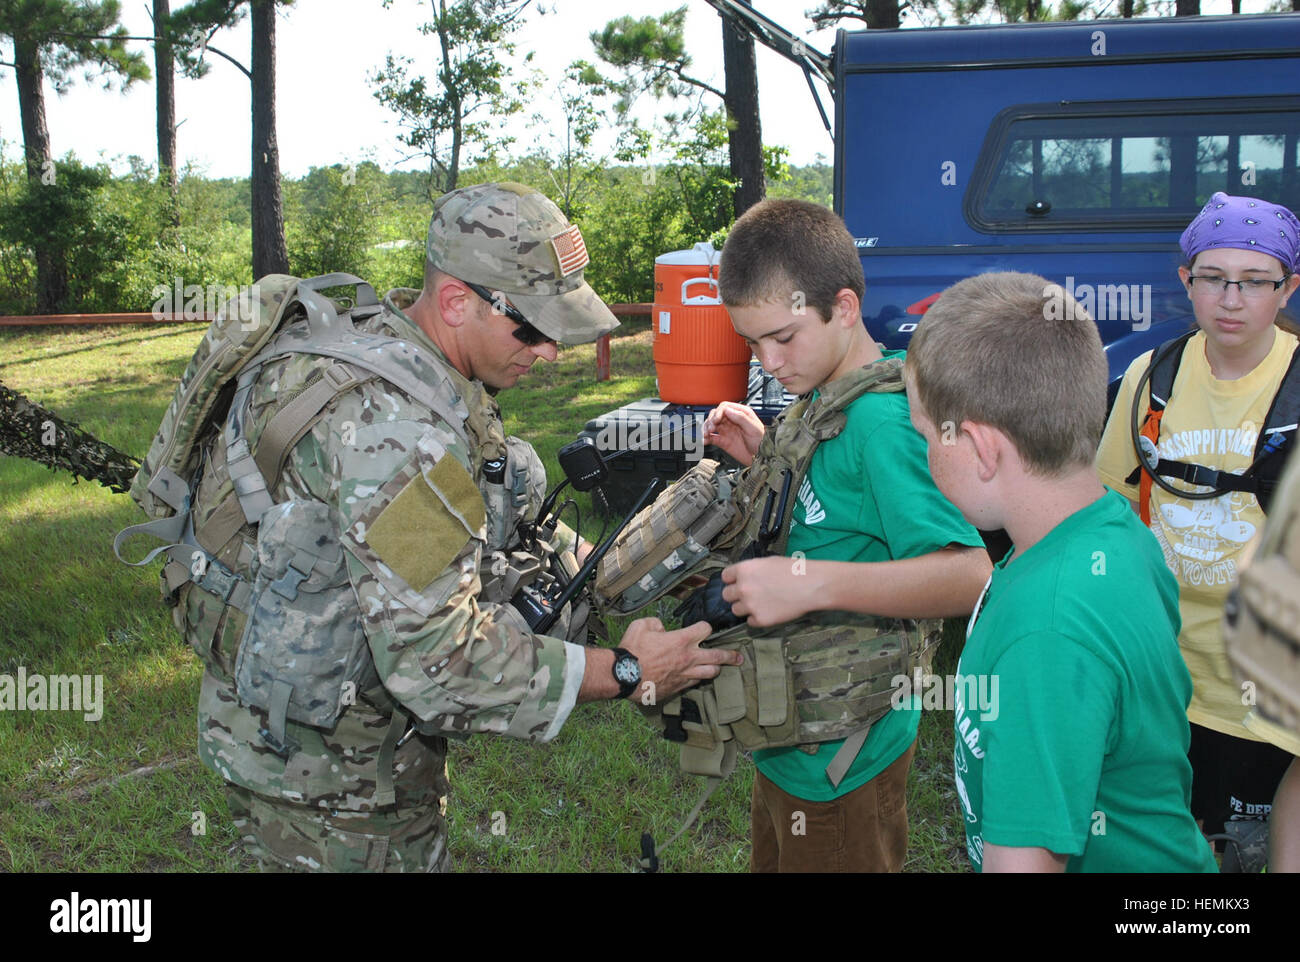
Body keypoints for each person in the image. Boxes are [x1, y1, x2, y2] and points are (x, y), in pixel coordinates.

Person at [189, 182, 740, 872]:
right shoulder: (397, 438)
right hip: (336, 781)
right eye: (532, 329)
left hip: (264, 718)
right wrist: (627, 671)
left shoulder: (368, 340)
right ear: (456, 301)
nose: (549, 353)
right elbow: (438, 662)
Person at [700, 198, 991, 873]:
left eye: (783, 337)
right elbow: (835, 510)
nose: (767, 361)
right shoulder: (821, 398)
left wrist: (804, 585)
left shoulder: (881, 427)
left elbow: (968, 574)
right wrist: (768, 454)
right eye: (752, 344)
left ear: (846, 308)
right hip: (793, 739)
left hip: (846, 756)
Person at [904, 269, 1217, 872]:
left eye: (925, 435)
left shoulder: (1044, 633)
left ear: (980, 447)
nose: (923, 455)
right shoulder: (1116, 532)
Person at [1095, 193, 1300, 863]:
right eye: (1213, 277)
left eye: (1254, 281)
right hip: (1169, 669)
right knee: (1182, 846)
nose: (1231, 299)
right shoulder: (1151, 379)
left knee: (1255, 849)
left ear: (1288, 288)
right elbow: (1112, 504)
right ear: (1186, 282)